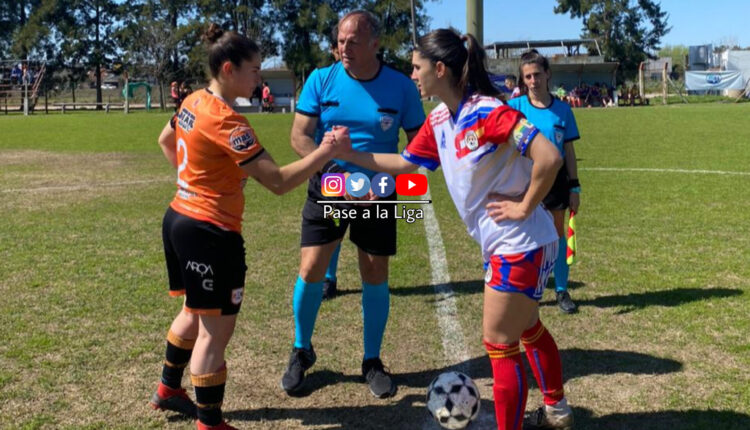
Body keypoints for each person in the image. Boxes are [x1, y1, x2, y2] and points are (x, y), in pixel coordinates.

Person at [332, 29, 574, 430]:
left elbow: (548, 157)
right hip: (513, 243)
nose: (412, 75)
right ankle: (557, 410)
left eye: (416, 67)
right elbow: (407, 163)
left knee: (498, 343)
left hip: (519, 243)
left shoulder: (487, 112)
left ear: (439, 69)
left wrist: (524, 206)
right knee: (527, 327)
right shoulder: (441, 118)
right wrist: (348, 153)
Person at [149, 23, 348, 430]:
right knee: (214, 332)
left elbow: (165, 141)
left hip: (178, 219)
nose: (259, 76)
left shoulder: (192, 100)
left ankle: (169, 388)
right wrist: (327, 151)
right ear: (228, 69)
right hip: (209, 232)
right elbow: (277, 182)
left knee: (193, 309)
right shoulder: (227, 121)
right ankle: (209, 422)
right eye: (254, 69)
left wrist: (194, 182)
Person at [280, 10, 426, 399]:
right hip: (328, 187)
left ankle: (372, 360)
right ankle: (301, 350)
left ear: (376, 44)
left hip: (377, 190)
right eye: (341, 41)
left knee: (374, 273)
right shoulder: (320, 79)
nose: (344, 48)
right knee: (311, 268)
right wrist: (332, 168)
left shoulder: (401, 87)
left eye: (353, 41)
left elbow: (416, 145)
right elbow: (299, 136)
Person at [507, 49, 581, 314]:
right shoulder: (514, 108)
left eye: (537, 74)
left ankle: (561, 290)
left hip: (557, 181)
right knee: (527, 237)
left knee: (557, 236)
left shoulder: (562, 110)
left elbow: (569, 151)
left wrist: (574, 186)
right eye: (527, 76)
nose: (533, 80)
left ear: (547, 74)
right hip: (524, 181)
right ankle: (530, 291)